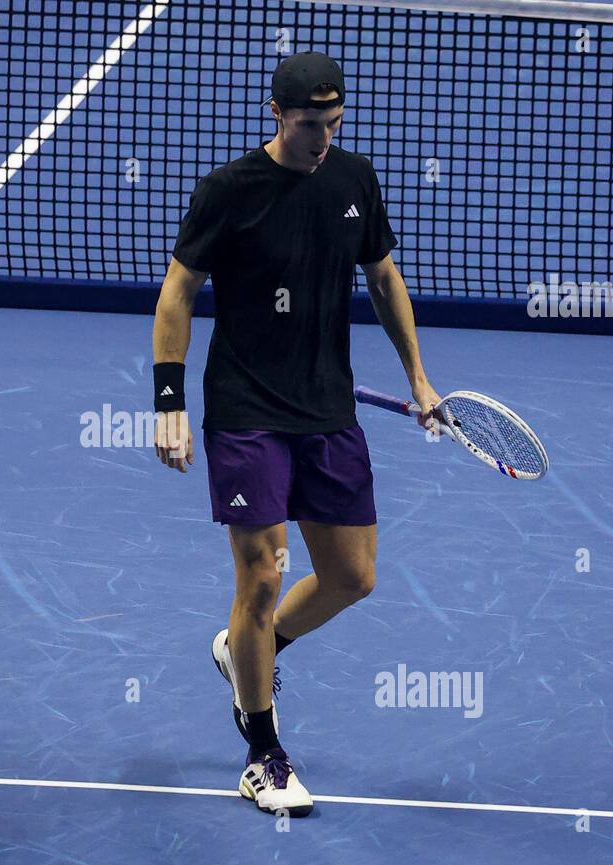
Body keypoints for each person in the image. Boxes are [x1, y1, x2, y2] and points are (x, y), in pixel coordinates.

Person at [151, 53, 442, 816]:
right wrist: (169, 400)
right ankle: (262, 753)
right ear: (277, 116)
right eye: (311, 125)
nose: (323, 140)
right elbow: (178, 291)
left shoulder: (352, 180)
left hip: (326, 409)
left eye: (334, 125)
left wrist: (417, 377)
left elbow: (382, 277)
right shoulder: (230, 192)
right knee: (263, 574)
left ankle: (253, 648)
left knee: (353, 577)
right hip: (246, 410)